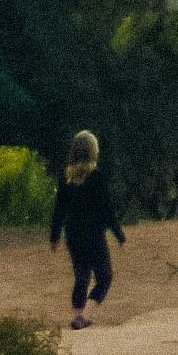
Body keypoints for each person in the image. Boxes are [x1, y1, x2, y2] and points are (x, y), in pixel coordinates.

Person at [48, 130, 125, 327]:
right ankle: (85, 314)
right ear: (94, 151)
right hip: (93, 234)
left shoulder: (67, 177)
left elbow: (60, 208)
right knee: (105, 276)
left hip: (73, 234)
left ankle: (77, 315)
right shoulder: (96, 177)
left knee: (81, 275)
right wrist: (119, 234)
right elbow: (106, 209)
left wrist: (55, 235)